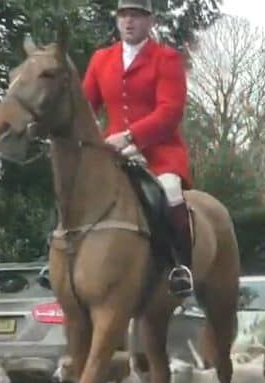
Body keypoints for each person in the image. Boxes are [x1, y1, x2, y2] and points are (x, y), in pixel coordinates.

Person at [81, 0, 195, 298]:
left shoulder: (166, 59)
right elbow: (85, 107)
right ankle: (62, 257)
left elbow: (170, 112)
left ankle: (180, 267)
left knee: (170, 193)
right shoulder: (101, 59)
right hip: (111, 153)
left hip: (159, 153)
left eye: (136, 16)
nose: (129, 22)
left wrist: (130, 136)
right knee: (77, 187)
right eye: (123, 15)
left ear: (150, 21)